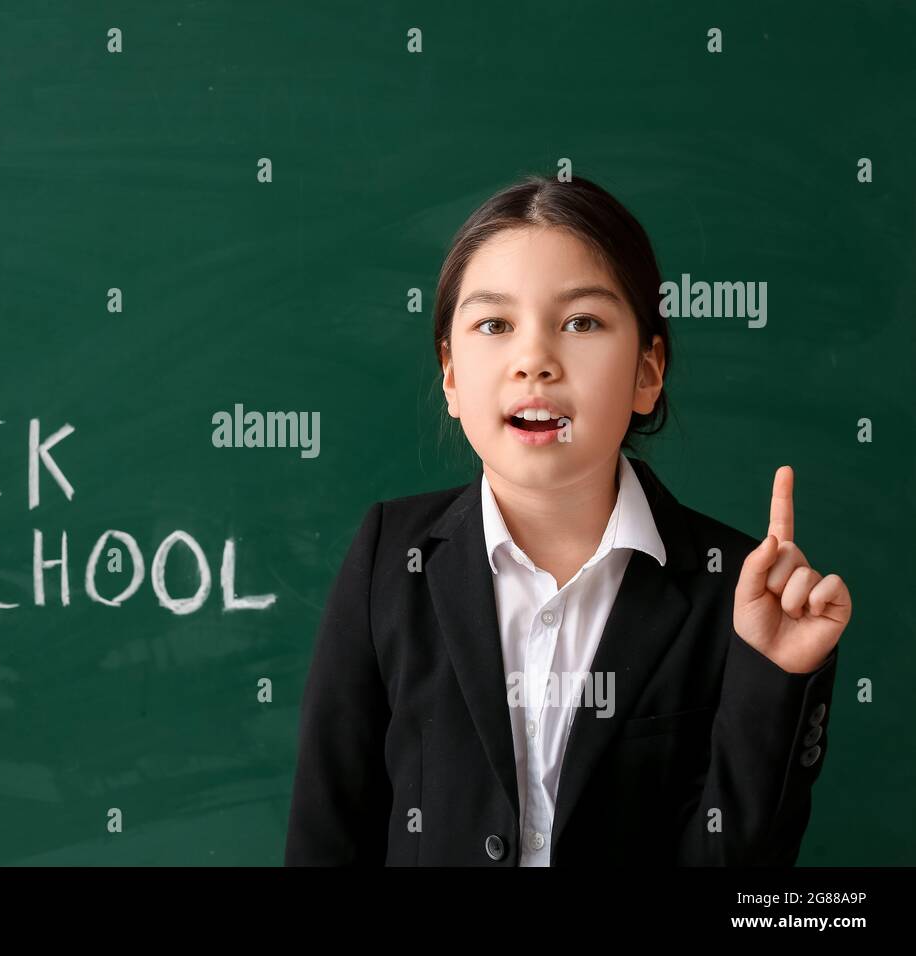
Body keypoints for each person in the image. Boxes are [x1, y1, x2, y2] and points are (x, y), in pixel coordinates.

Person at [283, 174, 852, 866]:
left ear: (649, 372)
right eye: (494, 324)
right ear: (451, 376)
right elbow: (327, 834)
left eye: (581, 322)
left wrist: (776, 676)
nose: (534, 362)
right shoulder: (390, 560)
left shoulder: (734, 592)